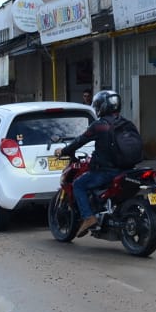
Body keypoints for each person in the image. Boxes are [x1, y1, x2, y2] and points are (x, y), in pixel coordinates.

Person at [59, 89, 130, 236]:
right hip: (127, 170)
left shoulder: (100, 125)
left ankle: (88, 217)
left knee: (78, 184)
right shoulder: (126, 123)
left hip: (107, 172)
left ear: (102, 107)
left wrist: (64, 151)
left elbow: (80, 140)